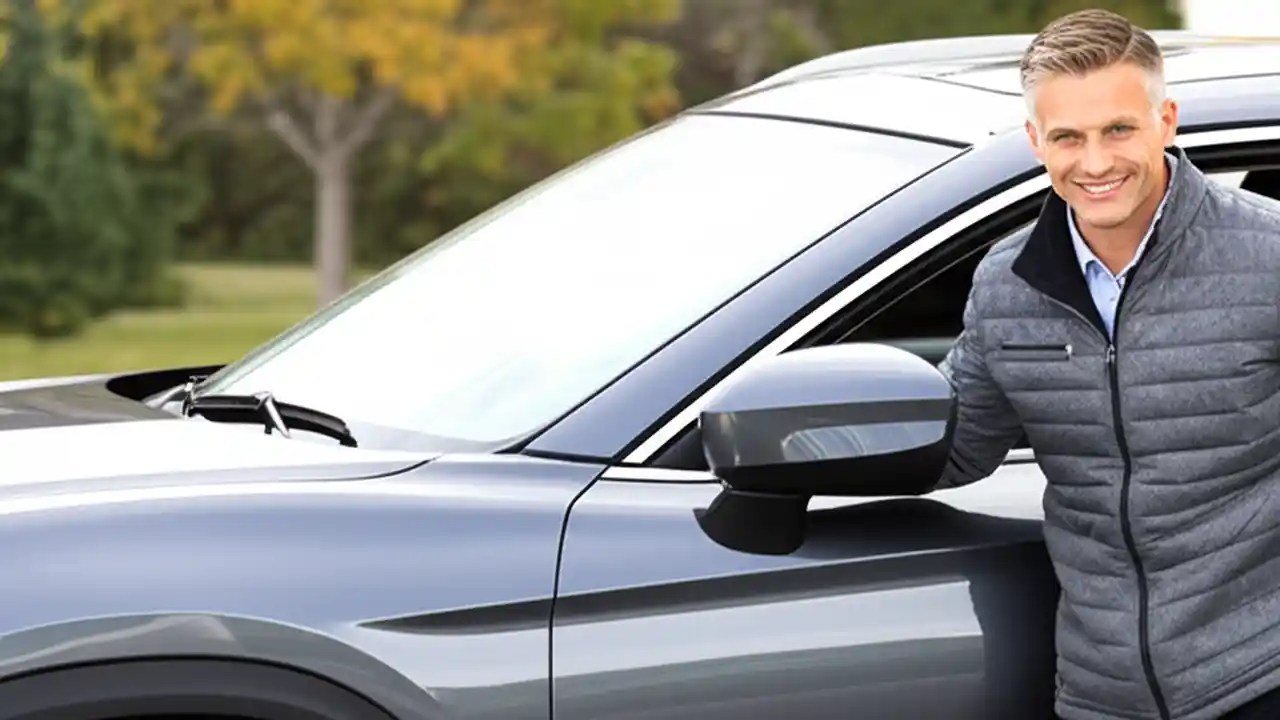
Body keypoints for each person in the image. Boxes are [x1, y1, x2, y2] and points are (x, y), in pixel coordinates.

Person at [936, 8, 1280, 720]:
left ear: (1166, 121)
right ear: (1036, 140)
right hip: (1102, 694)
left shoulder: (1269, 260)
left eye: (1119, 129)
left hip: (1261, 673)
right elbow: (951, 448)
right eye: (1068, 137)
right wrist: (791, 458)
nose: (1095, 164)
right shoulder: (1007, 286)